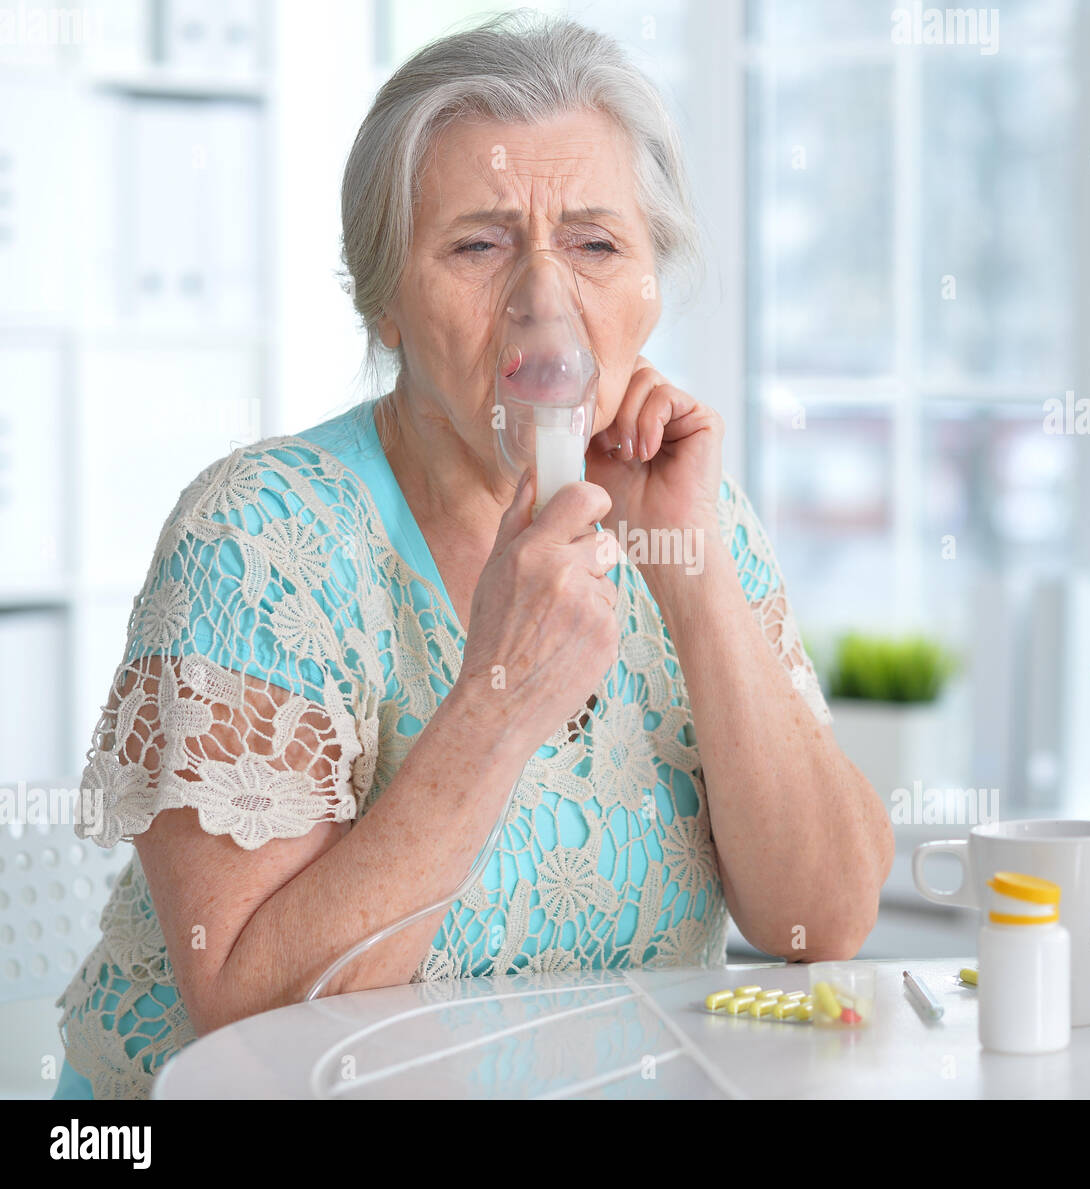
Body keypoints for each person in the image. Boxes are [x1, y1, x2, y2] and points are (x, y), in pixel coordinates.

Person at [54, 11, 893, 1100]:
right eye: (478, 244)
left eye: (596, 245)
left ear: (651, 283)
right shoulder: (258, 538)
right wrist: (497, 697)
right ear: (385, 300)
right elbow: (252, 1028)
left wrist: (692, 581)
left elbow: (818, 919)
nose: (546, 302)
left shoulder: (697, 515)